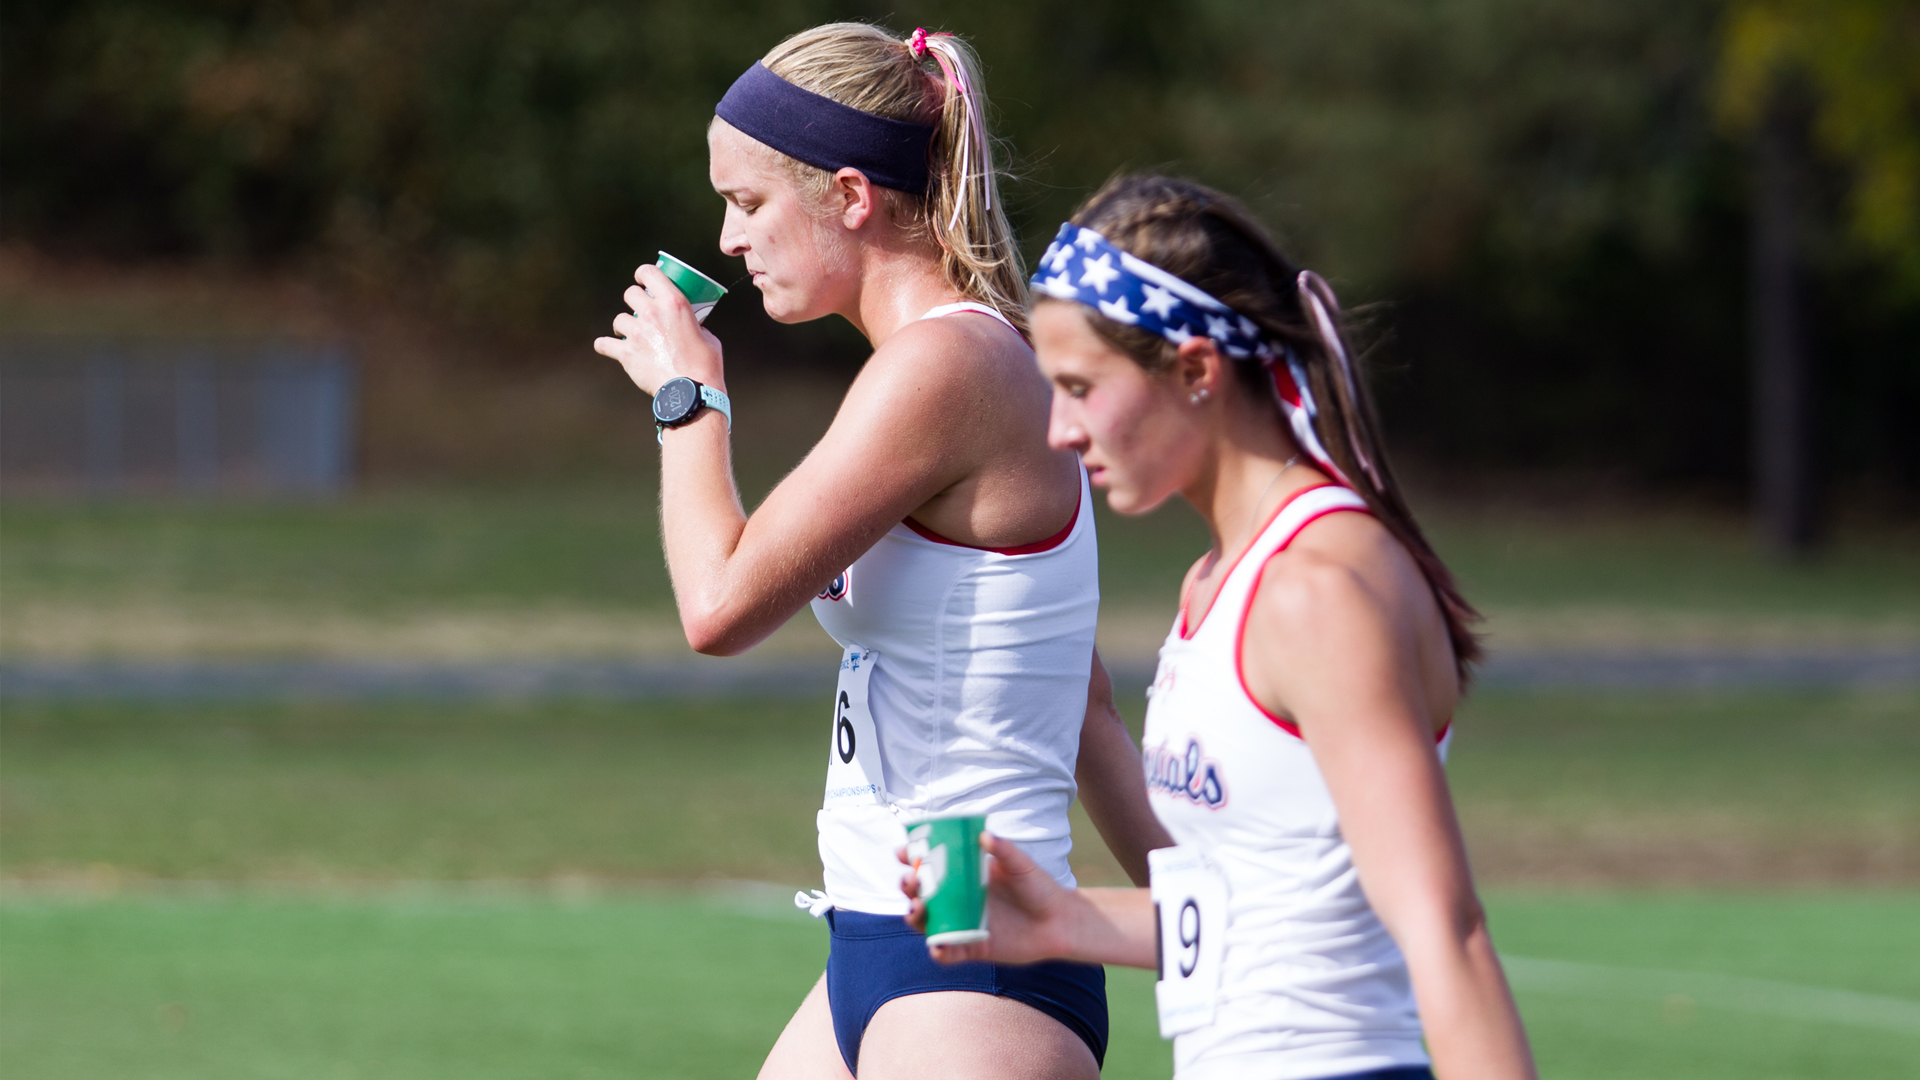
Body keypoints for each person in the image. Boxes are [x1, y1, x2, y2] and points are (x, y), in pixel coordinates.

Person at [592, 25, 1170, 1080]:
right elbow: (1077, 703)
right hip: (876, 942)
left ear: (850, 197)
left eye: (749, 202)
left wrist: (690, 401)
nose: (728, 240)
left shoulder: (950, 363)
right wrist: (1204, 918)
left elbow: (717, 608)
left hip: (968, 966)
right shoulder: (932, 363)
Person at [904, 175, 1539, 1080]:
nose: (1060, 431)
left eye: (1082, 387)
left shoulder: (1312, 592)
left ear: (1197, 371)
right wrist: (1060, 919)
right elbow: (1262, 907)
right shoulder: (1216, 580)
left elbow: (1447, 932)